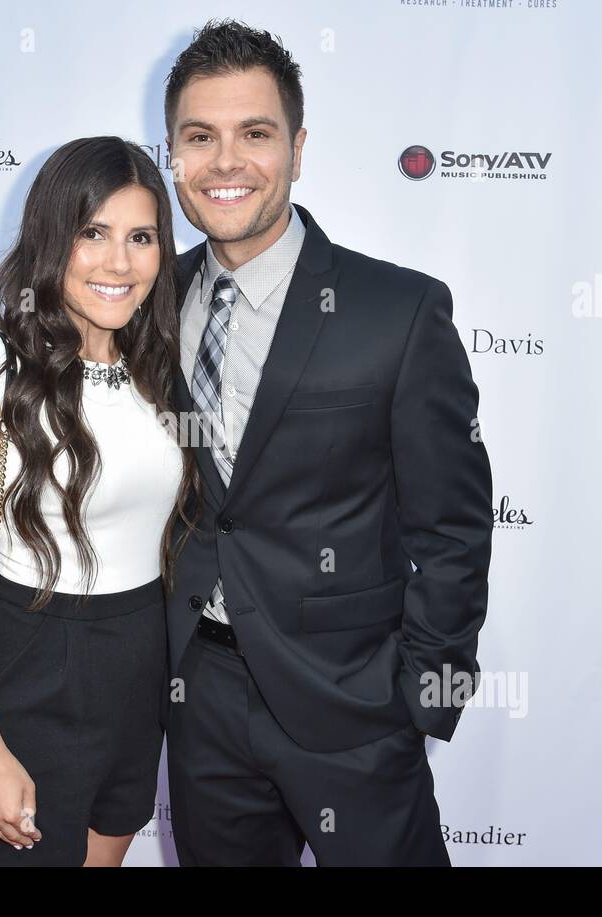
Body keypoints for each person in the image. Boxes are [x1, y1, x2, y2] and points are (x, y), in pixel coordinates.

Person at [160, 20, 494, 866]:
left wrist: (419, 694)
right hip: (200, 698)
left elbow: (452, 527)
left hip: (353, 703)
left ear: (298, 149)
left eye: (255, 134)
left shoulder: (398, 313)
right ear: (172, 155)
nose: (225, 162)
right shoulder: (144, 301)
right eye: (200, 138)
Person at [0, 136, 197, 866]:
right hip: (34, 666)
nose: (119, 262)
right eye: (92, 234)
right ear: (51, 237)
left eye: (141, 238)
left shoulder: (156, 369)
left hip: (140, 660)